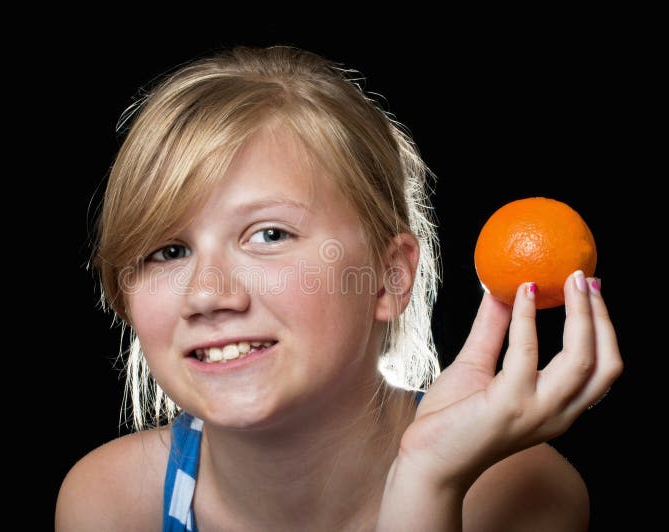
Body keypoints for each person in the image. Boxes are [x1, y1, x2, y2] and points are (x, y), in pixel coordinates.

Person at [55, 45, 622, 531]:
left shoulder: (523, 493)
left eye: (269, 234)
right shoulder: (108, 504)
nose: (206, 295)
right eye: (168, 251)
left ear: (390, 276)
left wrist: (428, 481)